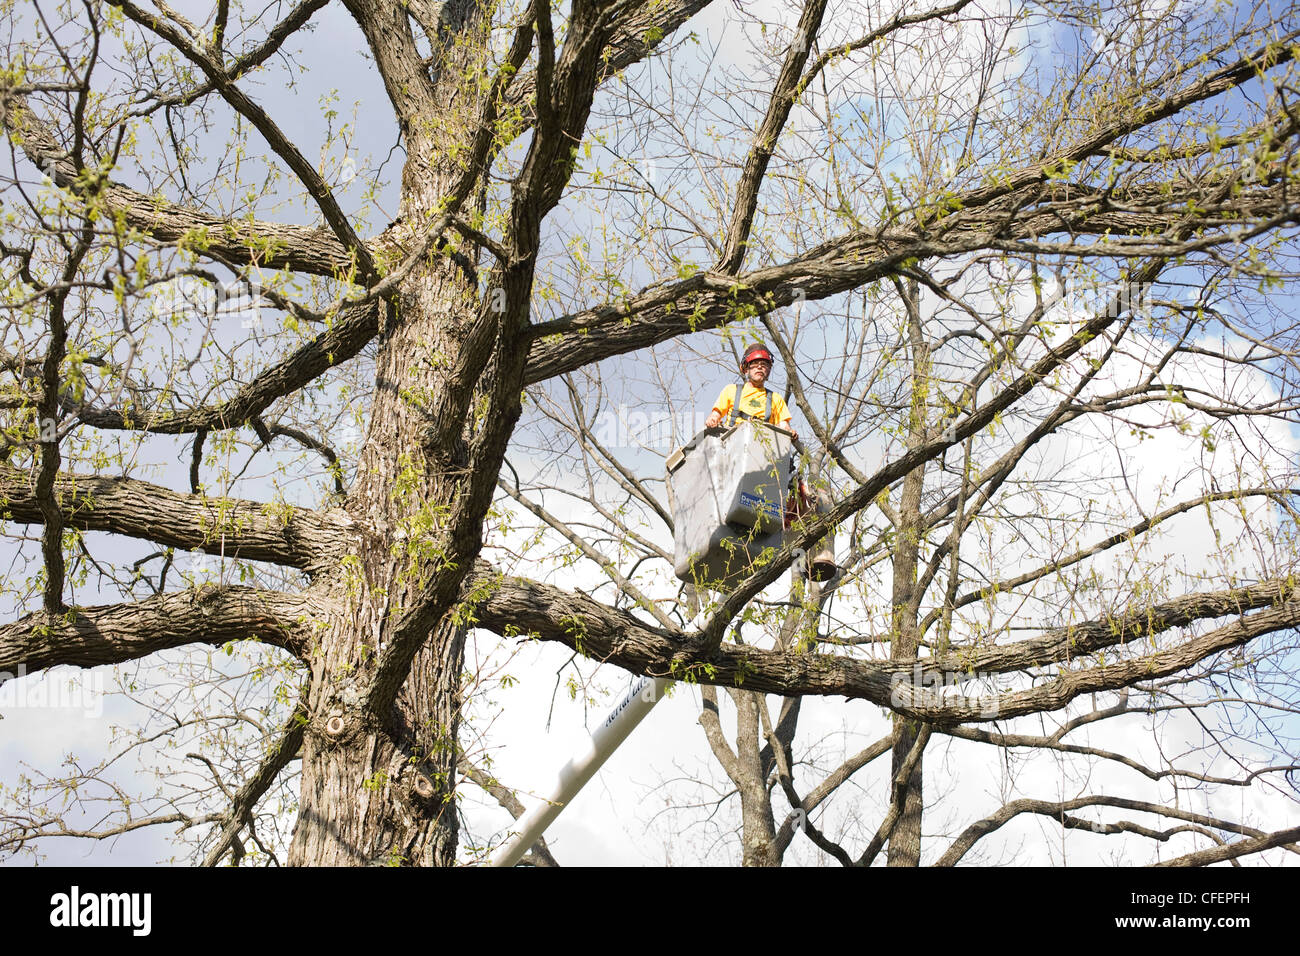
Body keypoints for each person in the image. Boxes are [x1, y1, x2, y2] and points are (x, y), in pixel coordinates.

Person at [704, 343, 798, 441]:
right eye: (755, 363)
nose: (759, 367)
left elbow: (784, 426)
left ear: (769, 370)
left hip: (762, 447)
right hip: (731, 444)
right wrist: (713, 420)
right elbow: (715, 415)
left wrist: (789, 432)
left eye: (764, 364)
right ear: (745, 368)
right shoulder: (731, 390)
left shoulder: (776, 398)